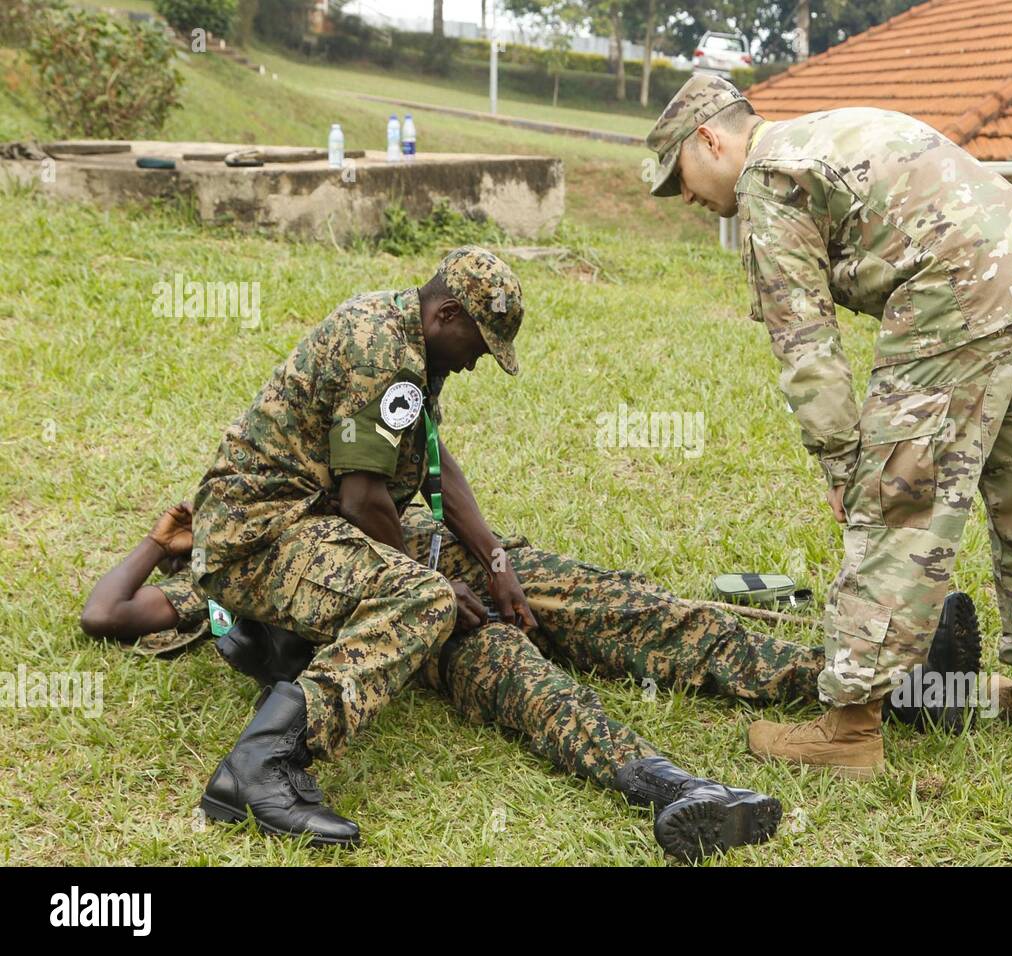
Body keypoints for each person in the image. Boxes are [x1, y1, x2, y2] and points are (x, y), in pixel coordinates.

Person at [181, 245, 800, 859]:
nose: (476, 365)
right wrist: (432, 589)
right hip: (265, 539)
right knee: (443, 614)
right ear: (446, 314)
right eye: (478, 347)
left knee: (558, 588)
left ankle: (826, 679)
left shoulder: (410, 342)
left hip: (343, 532)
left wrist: (495, 561)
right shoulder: (380, 350)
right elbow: (362, 497)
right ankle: (258, 767)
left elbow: (428, 457)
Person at [83, 497, 984, 858]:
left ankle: (893, 689)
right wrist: (161, 546)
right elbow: (104, 616)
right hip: (425, 631)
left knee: (649, 616)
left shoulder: (317, 487)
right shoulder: (229, 586)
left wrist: (486, 558)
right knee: (536, 691)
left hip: (467, 570)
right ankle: (675, 788)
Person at [644, 76, 1012, 778]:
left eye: (682, 178)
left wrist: (843, 465)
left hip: (956, 290)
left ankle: (850, 732)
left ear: (711, 138)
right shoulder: (825, 129)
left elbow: (807, 347)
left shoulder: (769, 177)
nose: (690, 199)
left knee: (898, 503)